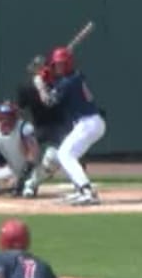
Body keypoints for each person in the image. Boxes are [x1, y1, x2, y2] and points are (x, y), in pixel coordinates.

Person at [34, 46, 107, 206]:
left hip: (88, 123)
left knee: (65, 154)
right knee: (68, 155)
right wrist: (49, 80)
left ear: (68, 63)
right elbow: (58, 86)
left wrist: (41, 85)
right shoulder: (74, 77)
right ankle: (80, 189)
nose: (59, 67)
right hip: (89, 123)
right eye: (57, 64)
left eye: (62, 64)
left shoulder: (68, 82)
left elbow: (49, 101)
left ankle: (87, 191)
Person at [15, 55, 69, 198]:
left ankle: (21, 185)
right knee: (65, 156)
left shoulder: (55, 83)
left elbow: (21, 108)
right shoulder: (58, 83)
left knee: (39, 157)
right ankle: (26, 184)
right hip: (51, 127)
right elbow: (20, 108)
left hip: (48, 126)